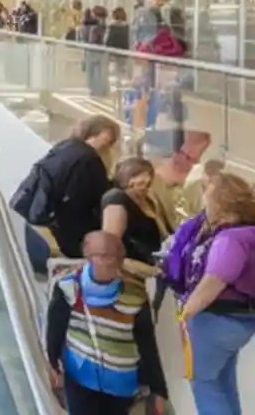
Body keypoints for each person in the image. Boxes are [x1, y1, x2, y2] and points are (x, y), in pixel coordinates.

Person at [45, 231, 168, 415]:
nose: (110, 262)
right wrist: (52, 362)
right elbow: (55, 328)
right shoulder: (68, 287)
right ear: (88, 256)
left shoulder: (135, 296)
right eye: (103, 256)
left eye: (115, 256)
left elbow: (147, 344)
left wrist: (158, 390)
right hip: (80, 376)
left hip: (120, 383)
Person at [164, 173, 255, 415]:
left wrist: (185, 313)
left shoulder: (230, 239)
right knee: (223, 382)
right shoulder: (249, 232)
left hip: (216, 320)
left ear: (220, 203)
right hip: (242, 319)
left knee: (205, 385)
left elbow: (215, 281)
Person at [18, 115, 121, 273]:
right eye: (109, 137)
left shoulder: (64, 147)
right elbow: (94, 198)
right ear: (94, 133)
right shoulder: (89, 158)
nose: (110, 143)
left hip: (41, 216)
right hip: (70, 233)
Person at [101, 158, 170, 267]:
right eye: (140, 183)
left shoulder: (150, 200)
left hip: (158, 259)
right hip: (134, 265)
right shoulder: (116, 198)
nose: (144, 187)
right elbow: (110, 240)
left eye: (148, 184)